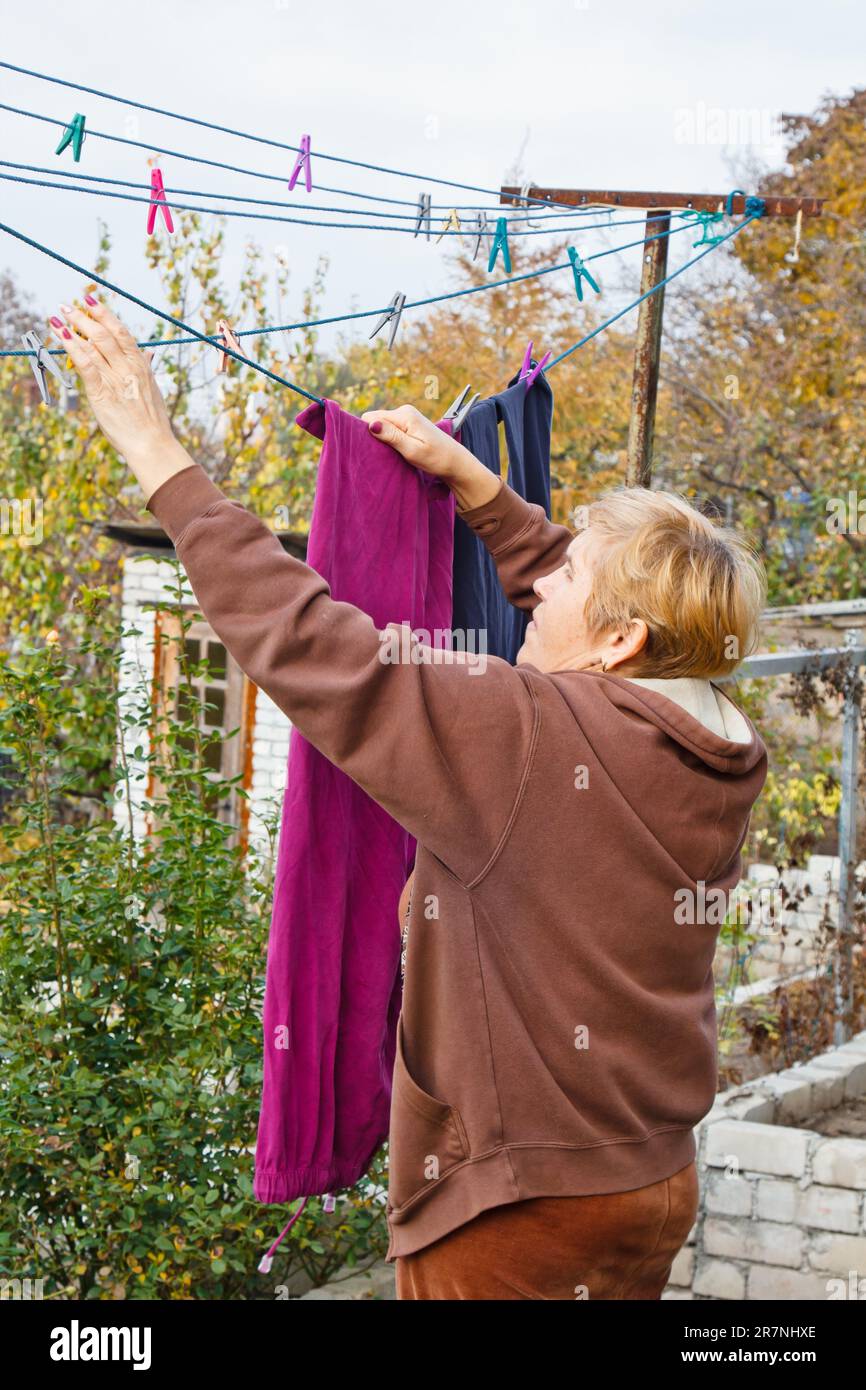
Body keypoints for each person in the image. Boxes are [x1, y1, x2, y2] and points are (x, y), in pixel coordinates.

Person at [50, 296, 768, 1300]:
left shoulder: (524, 734)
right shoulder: (717, 742)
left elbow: (316, 646)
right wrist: (471, 478)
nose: (537, 585)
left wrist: (157, 451)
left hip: (513, 1208)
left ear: (618, 645)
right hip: (646, 1181)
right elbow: (579, 597)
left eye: (566, 580)